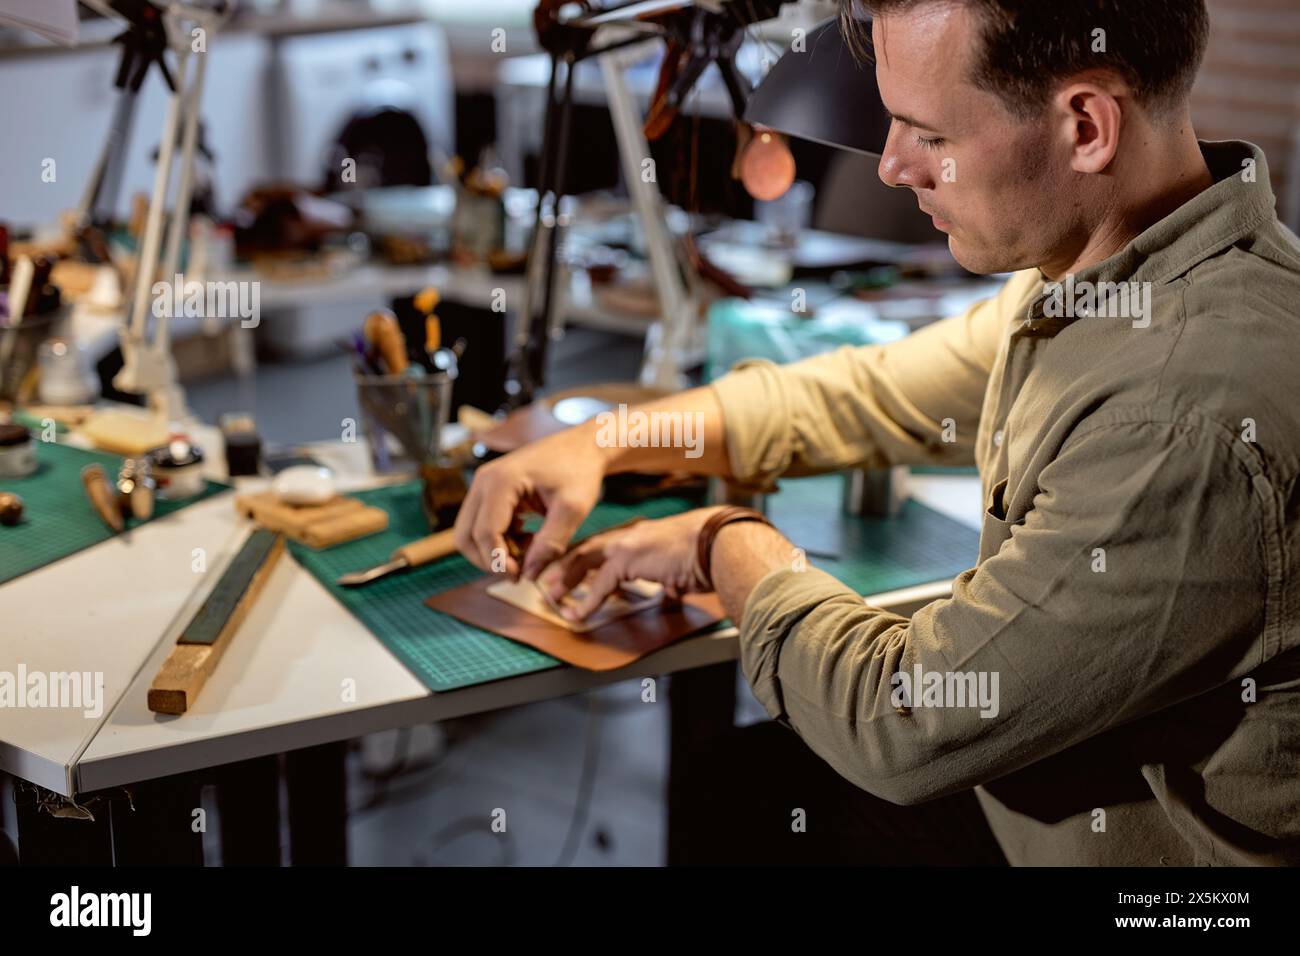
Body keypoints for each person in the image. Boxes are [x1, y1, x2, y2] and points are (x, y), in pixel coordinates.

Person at [455, 0, 1300, 865]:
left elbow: (903, 717)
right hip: (1039, 804)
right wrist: (611, 438)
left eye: (926, 133)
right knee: (747, 785)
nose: (892, 166)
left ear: (1086, 126)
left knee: (764, 800)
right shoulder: (1112, 275)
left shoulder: (1178, 414)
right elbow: (874, 392)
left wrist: (726, 546)